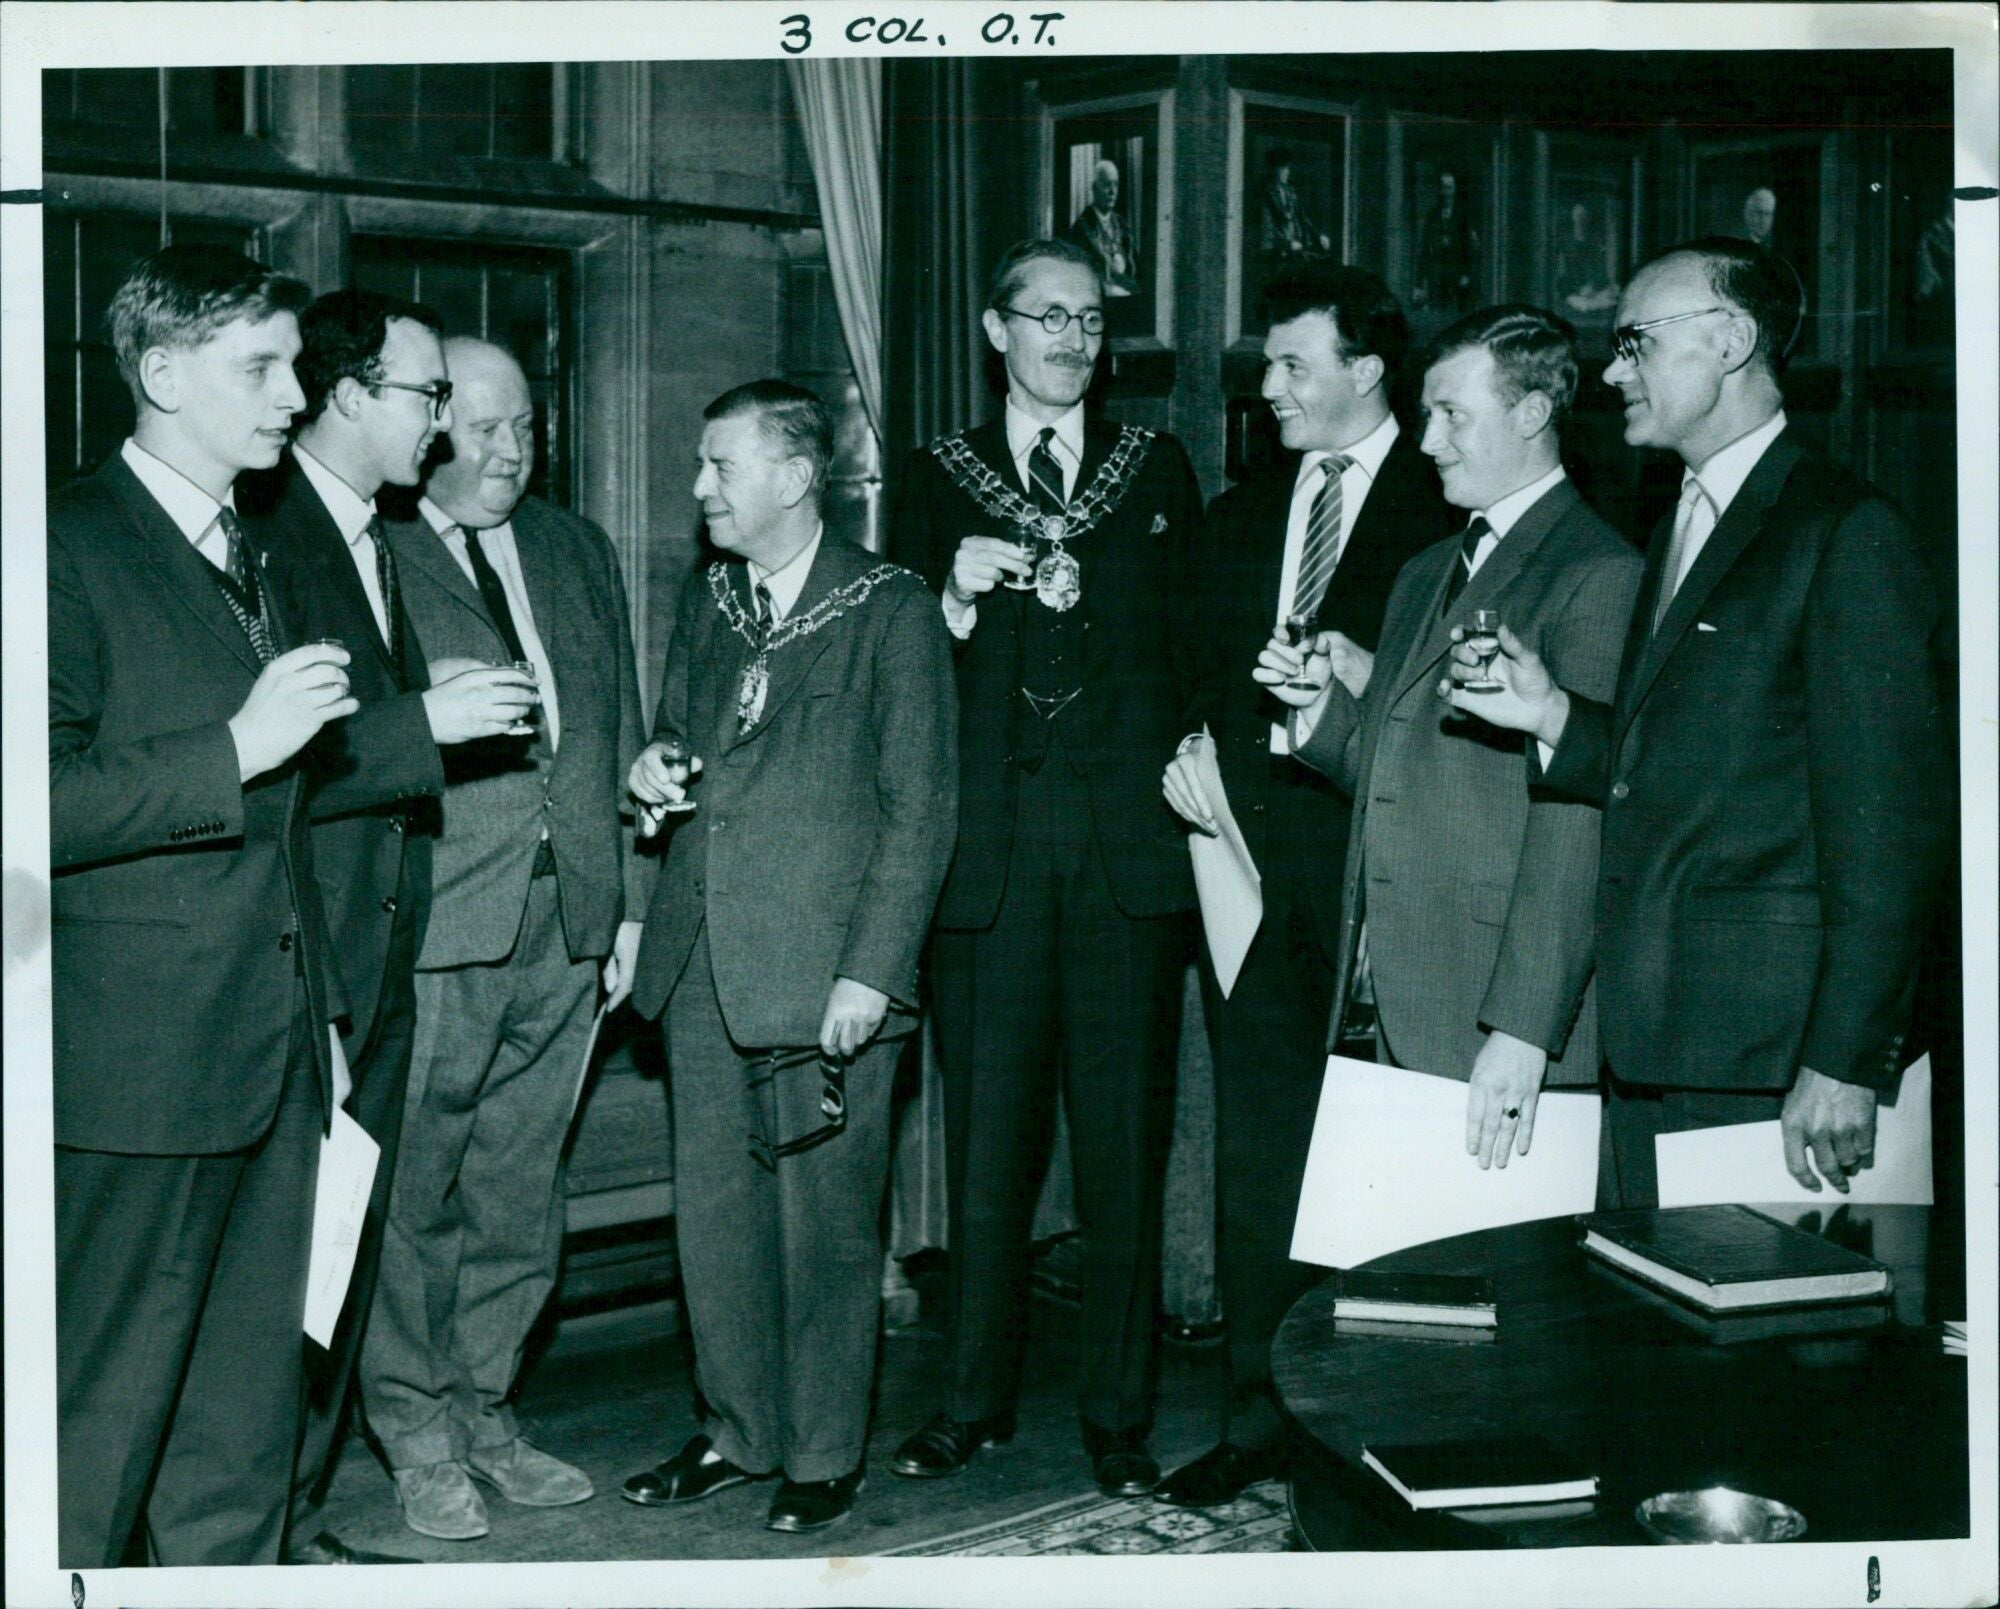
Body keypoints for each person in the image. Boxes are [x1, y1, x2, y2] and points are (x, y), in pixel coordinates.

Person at [1443, 239, 1948, 1206]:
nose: (1611, 371)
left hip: (1773, 1060)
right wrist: (1551, 712)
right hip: (1659, 1034)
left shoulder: (1844, 531)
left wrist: (1843, 1059)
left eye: (1635, 341)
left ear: (1730, 341)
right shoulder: (1682, 515)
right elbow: (1684, 764)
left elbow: (1891, 832)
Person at [49, 244, 360, 1565]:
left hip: (270, 1052)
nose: (295, 394)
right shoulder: (59, 545)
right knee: (93, 1432)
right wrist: (233, 748)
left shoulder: (254, 548)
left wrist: (320, 1016)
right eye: (263, 367)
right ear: (165, 375)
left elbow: (291, 820)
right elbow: (29, 800)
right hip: (134, 1069)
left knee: (239, 1432)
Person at [887, 237, 1206, 1498]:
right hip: (991, 870)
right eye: (1048, 317)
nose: (1073, 340)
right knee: (987, 1154)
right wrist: (949, 601)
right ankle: (970, 1400)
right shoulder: (933, 478)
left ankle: (1119, 1416)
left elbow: (1190, 649)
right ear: (995, 329)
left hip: (1127, 868)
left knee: (1124, 1154)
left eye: (1089, 320)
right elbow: (890, 679)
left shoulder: (1154, 468)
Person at [618, 381, 957, 1534]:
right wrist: (654, 765)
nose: (699, 488)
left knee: (824, 1228)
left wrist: (872, 970)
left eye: (719, 466)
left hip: (829, 977)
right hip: (702, 960)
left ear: (796, 477)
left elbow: (922, 809)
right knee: (714, 1222)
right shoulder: (710, 596)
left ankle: (821, 1451)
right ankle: (738, 1431)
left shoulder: (889, 607)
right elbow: (680, 735)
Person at [246, 291, 541, 1564]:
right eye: (428, 396)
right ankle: (259, 1531)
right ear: (352, 395)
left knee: (340, 1248)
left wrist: (424, 700)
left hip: (379, 948)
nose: (444, 425)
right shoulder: (272, 533)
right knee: (289, 1260)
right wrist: (429, 721)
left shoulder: (366, 527)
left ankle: (294, 1519)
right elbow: (264, 764)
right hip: (302, 953)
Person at [1153, 264, 1453, 1508]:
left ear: (1365, 370)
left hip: (1385, 888)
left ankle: (1374, 1425)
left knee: (1388, 1169)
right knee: (1260, 1157)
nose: (1266, 387)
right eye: (1265, 365)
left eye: (1291, 364)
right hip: (1249, 878)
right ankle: (1256, 1415)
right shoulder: (1238, 515)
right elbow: (1190, 675)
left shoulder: (1449, 507)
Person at [363, 336, 652, 1541]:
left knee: (520, 1190)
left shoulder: (576, 547)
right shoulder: (368, 547)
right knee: (413, 1193)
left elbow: (621, 728)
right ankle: (415, 1433)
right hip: (441, 920)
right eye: (481, 427)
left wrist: (627, 900)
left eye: (525, 425)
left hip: (568, 919)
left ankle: (486, 1411)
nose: (510, 450)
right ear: (430, 428)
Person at [1260, 303, 1640, 1176]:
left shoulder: (1599, 572)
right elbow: (1396, 772)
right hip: (1400, 994)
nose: (1428, 441)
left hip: (1497, 1014)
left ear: (1532, 413)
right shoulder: (1427, 570)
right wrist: (1319, 711)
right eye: (1427, 414)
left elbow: (1578, 818)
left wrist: (1525, 1027)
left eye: (1451, 415)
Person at [1066, 158, 1139, 297]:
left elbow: (1134, 269)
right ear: (1094, 188)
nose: (1112, 191)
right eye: (1107, 185)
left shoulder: (1122, 225)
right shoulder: (1081, 229)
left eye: (1116, 185)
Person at [1414, 169, 1480, 314]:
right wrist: (1419, 283)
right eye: (1443, 188)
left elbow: (1471, 248)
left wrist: (1466, 273)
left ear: (1455, 190)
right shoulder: (1433, 216)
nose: (1446, 193)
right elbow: (1425, 249)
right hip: (1438, 277)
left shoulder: (1464, 215)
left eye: (1449, 188)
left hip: (1459, 276)